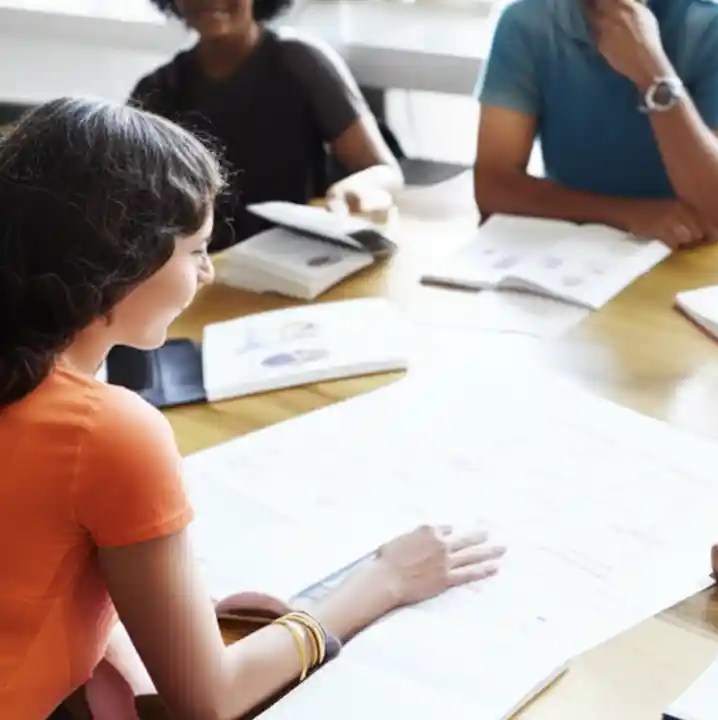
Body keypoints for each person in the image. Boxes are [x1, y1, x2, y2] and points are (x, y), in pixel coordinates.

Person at [0, 98, 501, 719]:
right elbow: (207, 701)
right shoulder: (106, 431)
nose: (208, 273)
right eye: (196, 250)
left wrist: (160, 611)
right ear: (122, 259)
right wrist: (383, 581)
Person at [474, 0, 718, 247]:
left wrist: (652, 72)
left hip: (703, 254)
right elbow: (493, 187)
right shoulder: (528, 22)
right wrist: (628, 215)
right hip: (586, 250)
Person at [132, 0, 404, 250]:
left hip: (303, 256)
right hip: (207, 272)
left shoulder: (301, 61)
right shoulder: (157, 90)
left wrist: (355, 189)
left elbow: (384, 171)